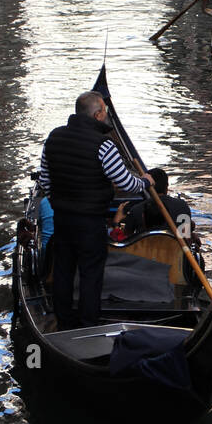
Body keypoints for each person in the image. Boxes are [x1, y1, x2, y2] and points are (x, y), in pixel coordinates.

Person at [39, 91, 154, 329]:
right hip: (90, 222)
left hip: (62, 218)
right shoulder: (103, 144)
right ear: (98, 114)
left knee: (63, 270)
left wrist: (59, 201)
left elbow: (45, 181)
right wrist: (145, 181)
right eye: (105, 111)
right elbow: (125, 182)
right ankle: (88, 325)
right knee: (91, 273)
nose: (106, 116)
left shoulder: (53, 138)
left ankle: (64, 322)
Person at [114, 167, 194, 239]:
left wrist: (116, 223)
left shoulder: (136, 209)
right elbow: (186, 236)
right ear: (166, 187)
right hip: (175, 251)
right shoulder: (183, 205)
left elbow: (127, 238)